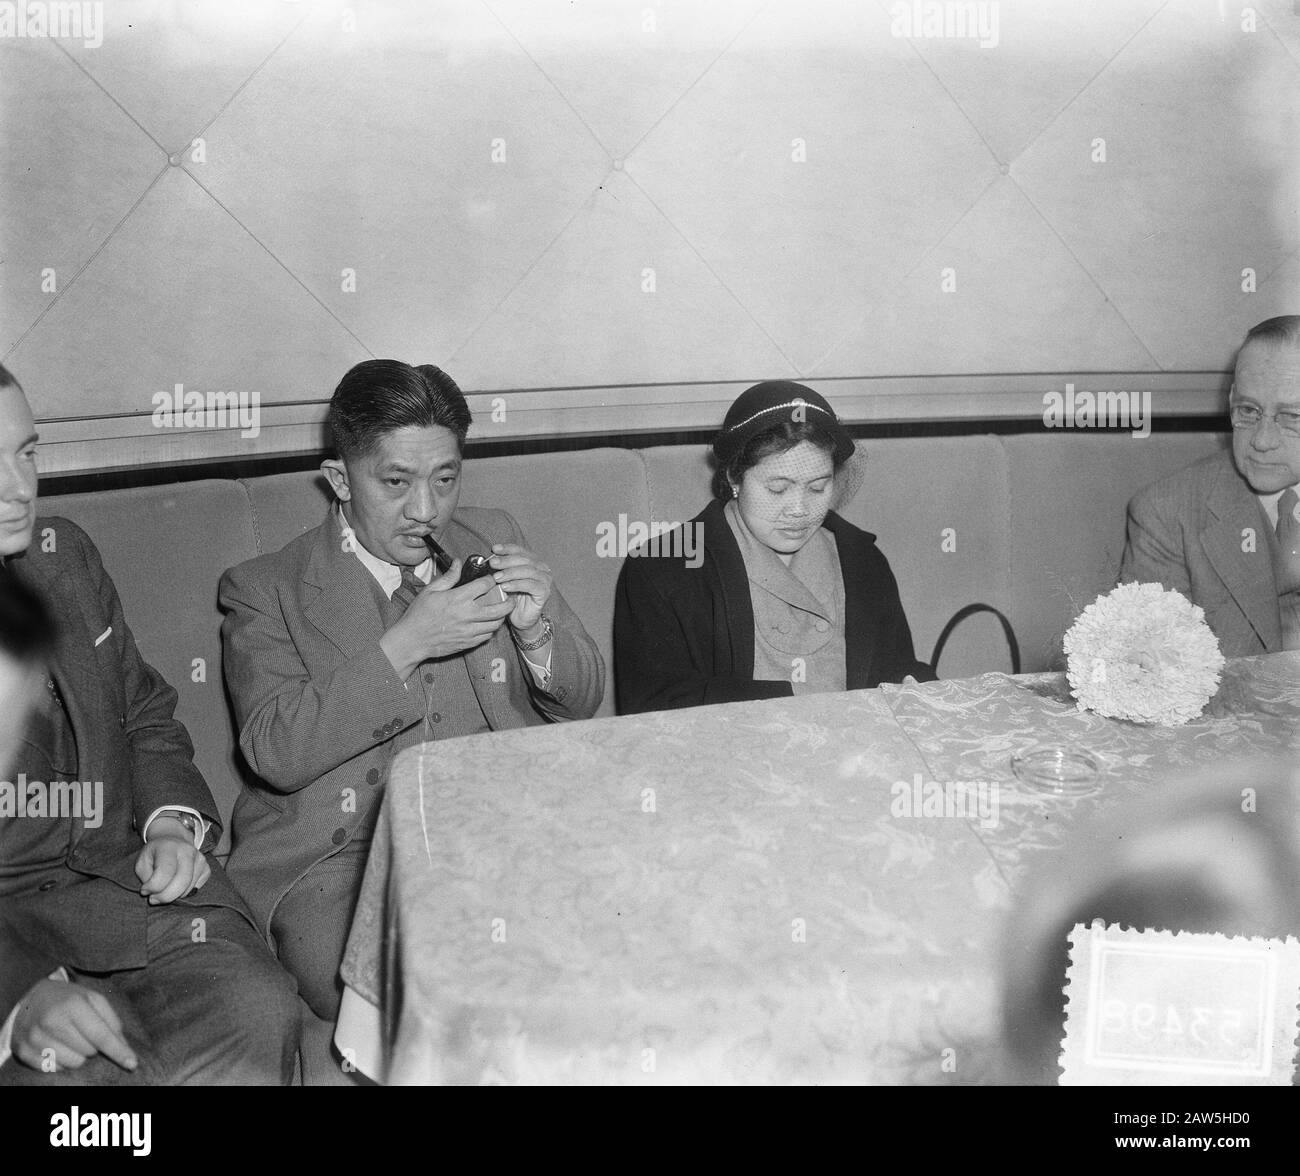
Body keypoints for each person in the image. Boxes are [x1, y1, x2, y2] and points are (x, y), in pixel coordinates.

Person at [219, 359, 604, 1026]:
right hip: (340, 861)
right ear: (340, 479)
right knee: (427, 1005)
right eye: (395, 483)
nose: (426, 509)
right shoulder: (264, 588)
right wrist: (410, 641)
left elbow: (581, 699)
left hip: (499, 834)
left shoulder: (490, 534)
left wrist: (537, 631)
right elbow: (273, 751)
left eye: (445, 479)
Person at [0, 364, 301, 1085]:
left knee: (260, 1008)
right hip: (10, 935)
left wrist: (169, 824)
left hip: (125, 889)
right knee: (86, 1088)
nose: (18, 489)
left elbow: (142, 714)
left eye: (26, 453)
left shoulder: (62, 555)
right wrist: (14, 1002)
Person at [614, 380, 934, 713]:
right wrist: (798, 700)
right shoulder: (662, 568)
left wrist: (912, 683)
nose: (799, 510)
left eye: (817, 487)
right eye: (778, 489)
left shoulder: (862, 561)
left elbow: (895, 665)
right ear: (734, 479)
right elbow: (651, 706)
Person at [1119, 315, 1300, 654]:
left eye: (1292, 417)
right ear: (1231, 399)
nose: (1261, 441)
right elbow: (1160, 676)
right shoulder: (1165, 514)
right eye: (1248, 410)